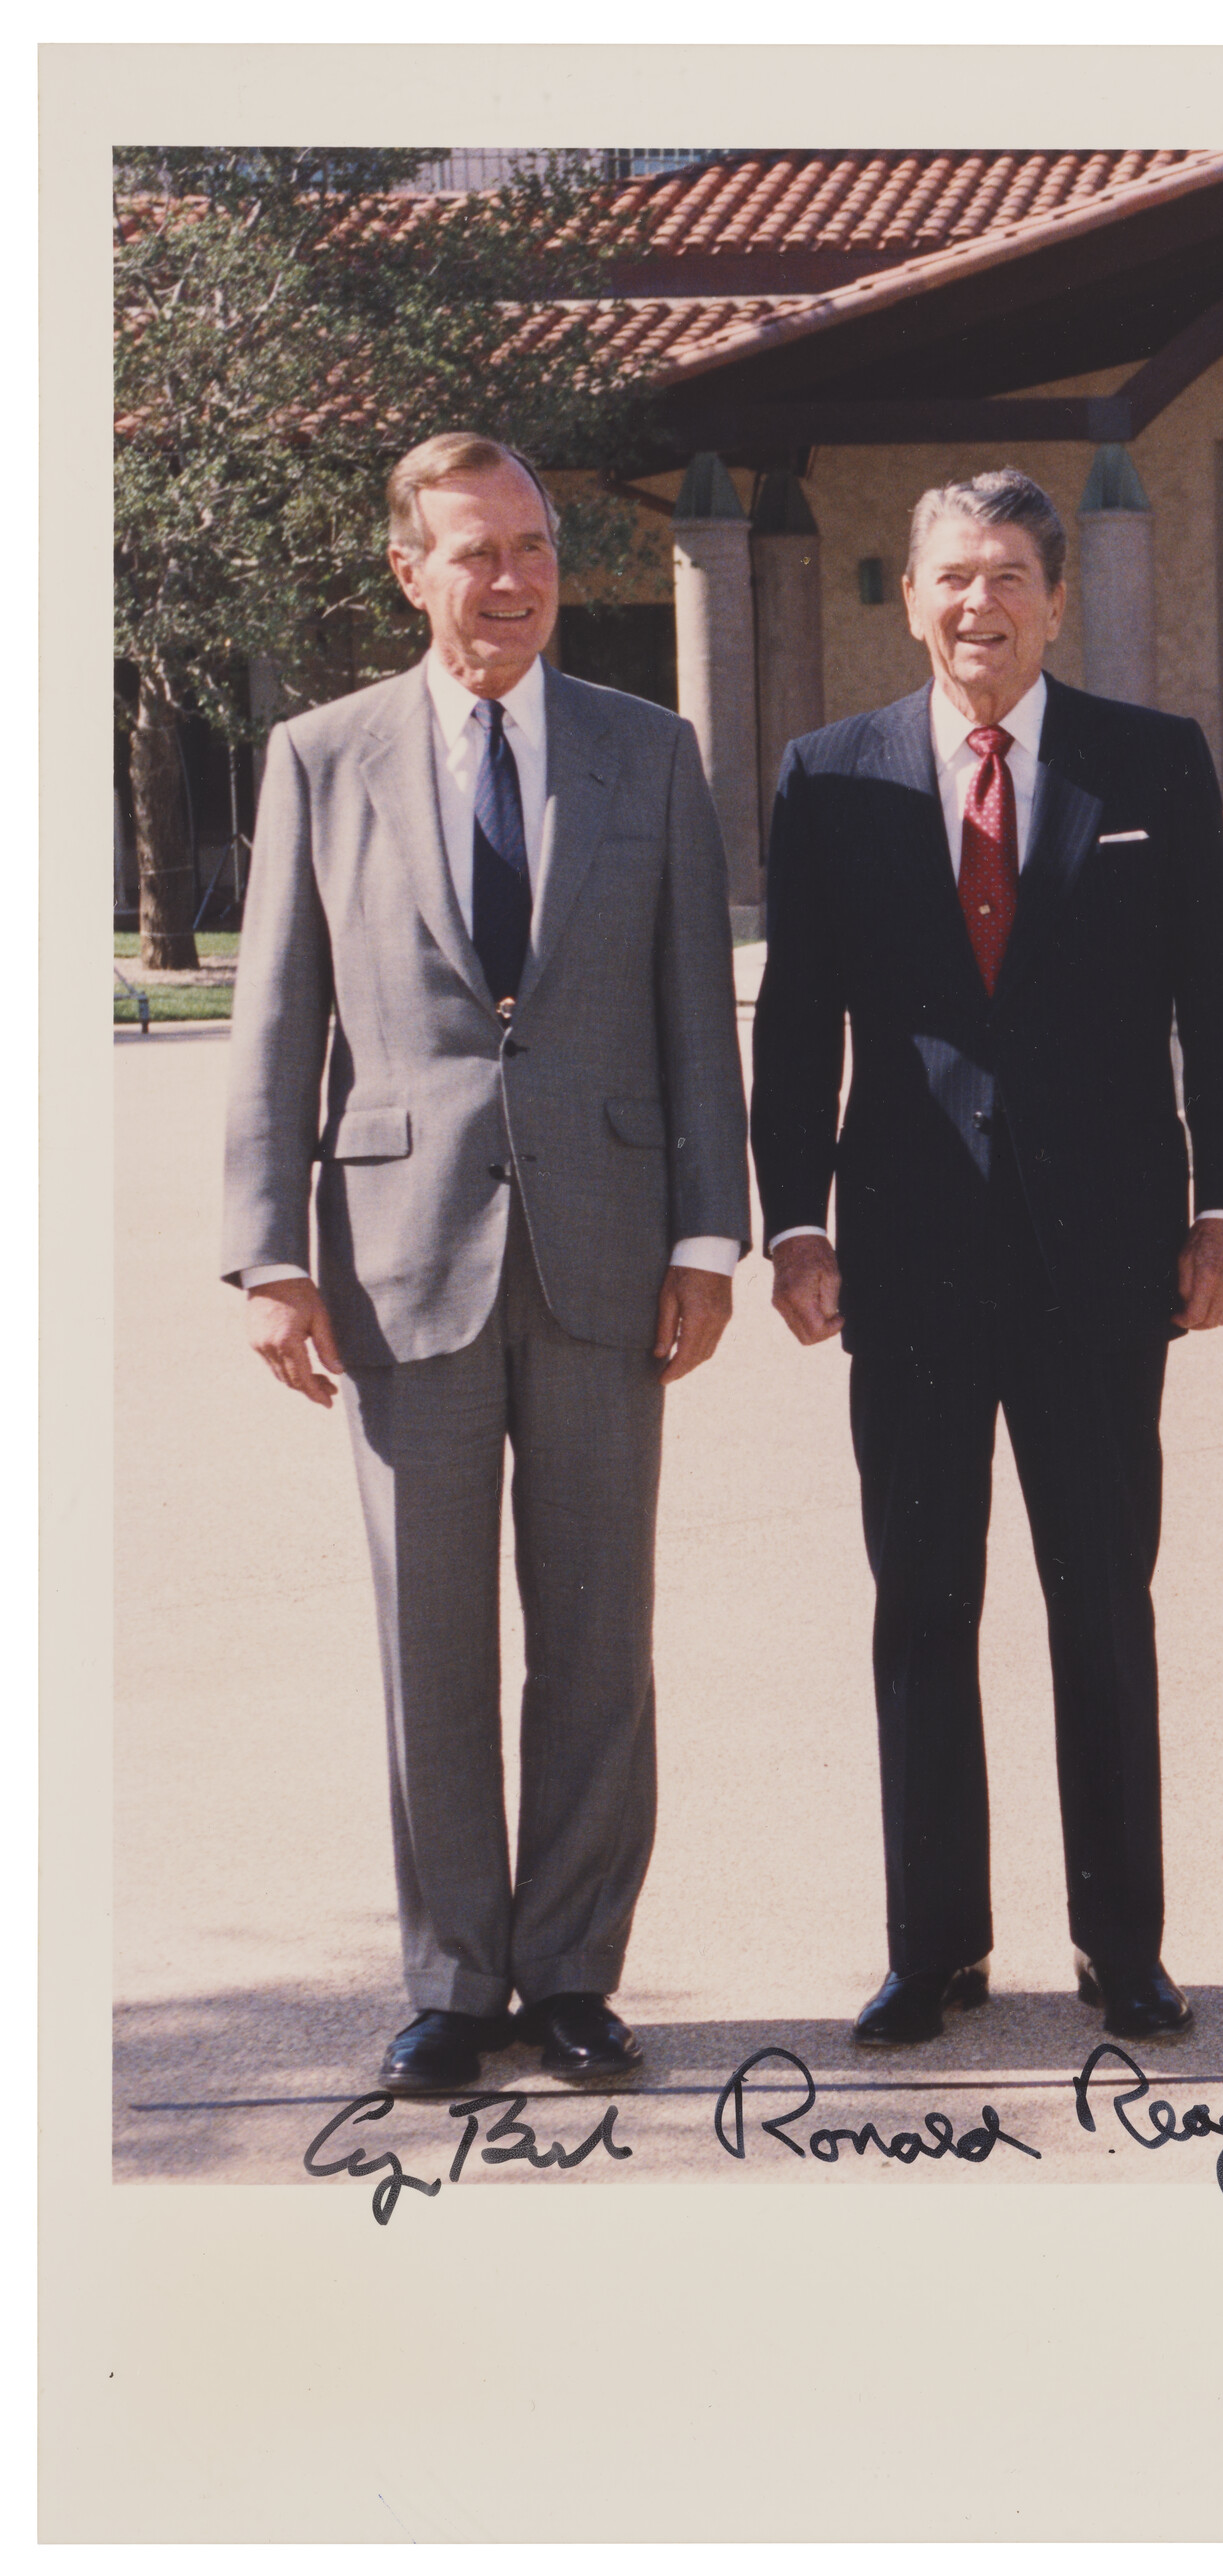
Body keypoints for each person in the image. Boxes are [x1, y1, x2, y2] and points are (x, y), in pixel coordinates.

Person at [221, 431, 748, 2094]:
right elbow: (275, 1022)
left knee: (598, 1633)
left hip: (606, 1257)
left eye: (532, 548)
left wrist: (705, 1232)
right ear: (409, 569)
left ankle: (577, 1968)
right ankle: (455, 1979)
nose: (513, 581)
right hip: (398, 1261)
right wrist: (268, 1257)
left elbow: (690, 1016)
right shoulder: (321, 756)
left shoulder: (648, 750)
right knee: (428, 1642)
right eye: (476, 553)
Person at [751, 468, 1223, 2047]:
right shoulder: (827, 776)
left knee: (1101, 1598)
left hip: (1105, 1257)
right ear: (911, 600)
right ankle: (937, 1945)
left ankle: (1123, 1941)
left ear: (1057, 598)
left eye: (1008, 579)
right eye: (951, 579)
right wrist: (794, 1222)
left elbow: (1219, 1005)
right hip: (905, 1258)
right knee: (923, 1604)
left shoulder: (1151, 765)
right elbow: (794, 1029)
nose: (979, 606)